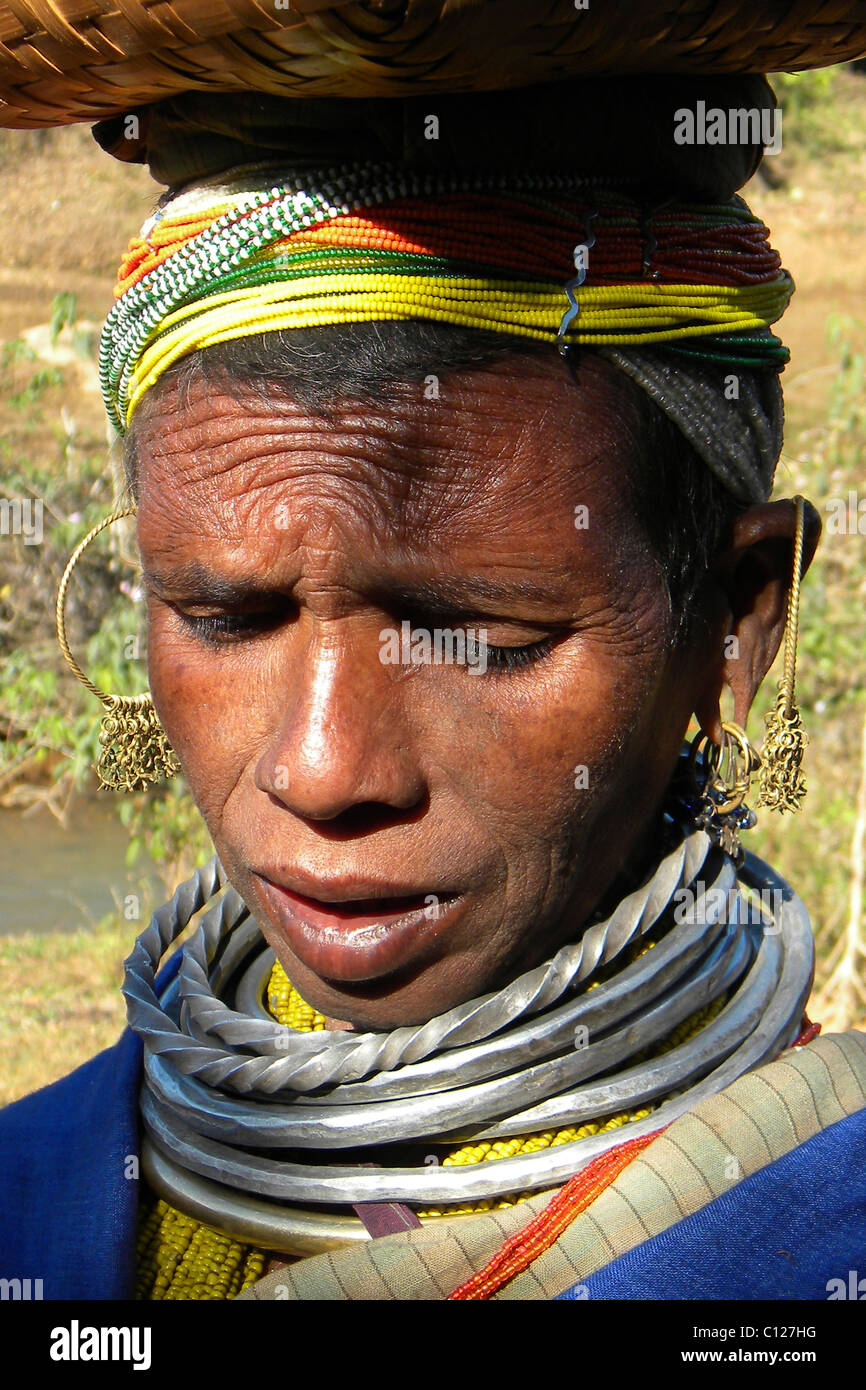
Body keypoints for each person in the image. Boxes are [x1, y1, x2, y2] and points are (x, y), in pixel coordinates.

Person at [1, 71, 864, 1304]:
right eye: (222, 616)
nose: (320, 768)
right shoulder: (32, 1204)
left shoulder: (818, 1240)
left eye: (477, 634)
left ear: (731, 623)